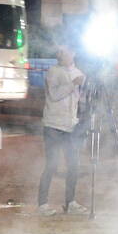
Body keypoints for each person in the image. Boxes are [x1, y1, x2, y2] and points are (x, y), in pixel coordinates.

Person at [38, 47, 88, 216]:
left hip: (70, 126)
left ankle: (70, 202)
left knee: (73, 165)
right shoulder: (53, 71)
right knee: (51, 164)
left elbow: (78, 100)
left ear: (73, 53)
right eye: (59, 52)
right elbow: (54, 95)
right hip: (53, 124)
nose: (60, 55)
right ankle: (42, 204)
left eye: (65, 52)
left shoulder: (79, 72)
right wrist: (74, 83)